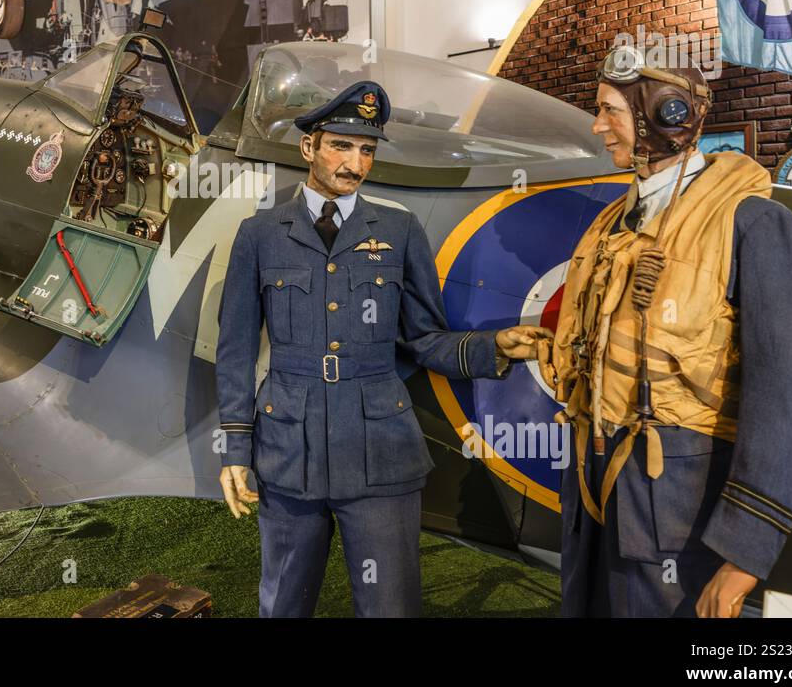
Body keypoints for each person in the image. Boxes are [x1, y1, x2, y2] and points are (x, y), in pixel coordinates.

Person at [215, 81, 548, 617]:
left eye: (366, 149)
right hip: (288, 449)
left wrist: (495, 347)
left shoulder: (398, 231)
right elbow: (234, 348)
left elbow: (424, 338)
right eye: (341, 146)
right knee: (282, 603)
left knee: (390, 605)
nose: (355, 162)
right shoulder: (260, 235)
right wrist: (235, 447)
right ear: (309, 148)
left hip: (379, 452)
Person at [540, 43, 792, 617]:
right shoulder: (612, 223)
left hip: (679, 518)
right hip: (597, 502)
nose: (597, 127)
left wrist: (744, 556)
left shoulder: (755, 223)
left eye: (609, 111)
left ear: (663, 116)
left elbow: (782, 399)